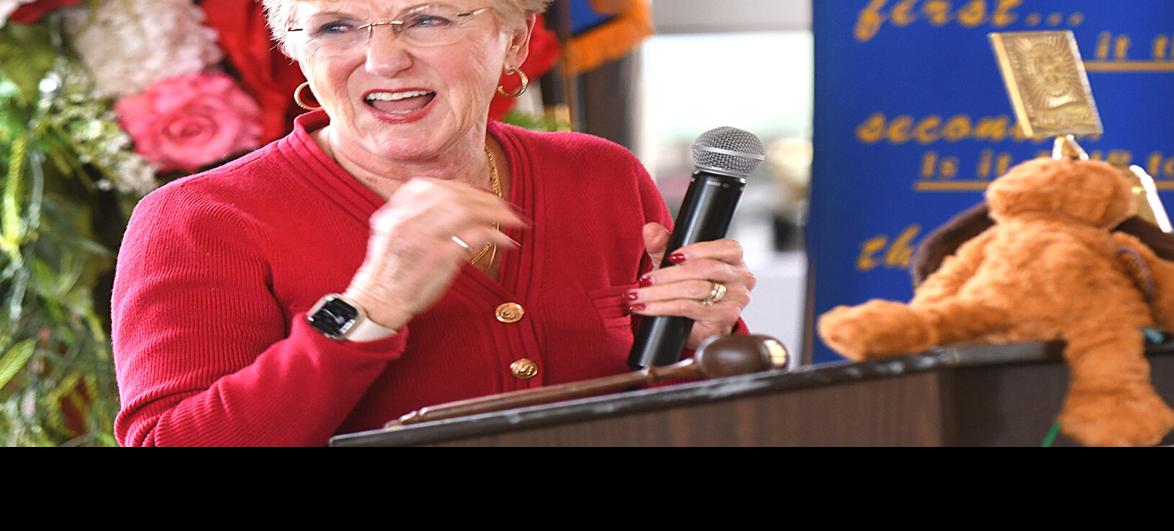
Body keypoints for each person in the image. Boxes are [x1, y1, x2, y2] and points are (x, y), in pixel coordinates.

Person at [111, 1, 755, 446]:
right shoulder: (198, 220)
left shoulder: (600, 175)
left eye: (427, 19)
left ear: (516, 39)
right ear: (298, 54)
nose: (384, 60)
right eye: (336, 27)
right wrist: (369, 309)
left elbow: (686, 402)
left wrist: (705, 339)